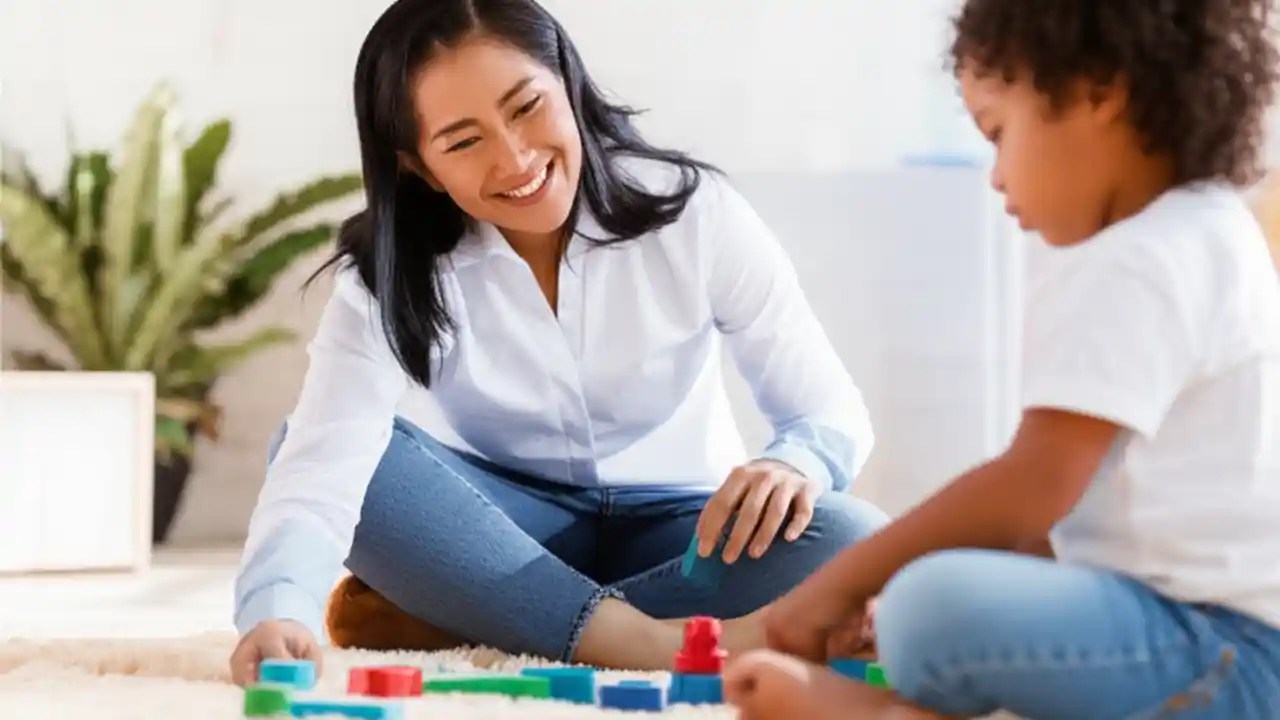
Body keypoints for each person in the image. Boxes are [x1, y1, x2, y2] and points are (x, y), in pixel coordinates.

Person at [228, 0, 887, 686]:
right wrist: (278, 609)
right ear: (420, 166)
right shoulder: (386, 279)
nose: (515, 159)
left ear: (567, 82)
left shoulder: (694, 214)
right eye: (462, 141)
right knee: (328, 458)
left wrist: (793, 464)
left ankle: (475, 613)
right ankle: (639, 642)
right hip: (506, 527)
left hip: (685, 532)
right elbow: (322, 464)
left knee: (852, 537)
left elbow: (828, 411)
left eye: (526, 107)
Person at [725, 0, 1280, 718]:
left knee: (932, 609)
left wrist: (834, 588)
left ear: (1097, 91)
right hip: (1220, 647)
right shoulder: (1207, 228)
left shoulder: (1141, 257)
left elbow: (1034, 482)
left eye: (998, 132)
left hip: (1219, 656)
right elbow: (1072, 520)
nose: (994, 177)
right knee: (937, 601)